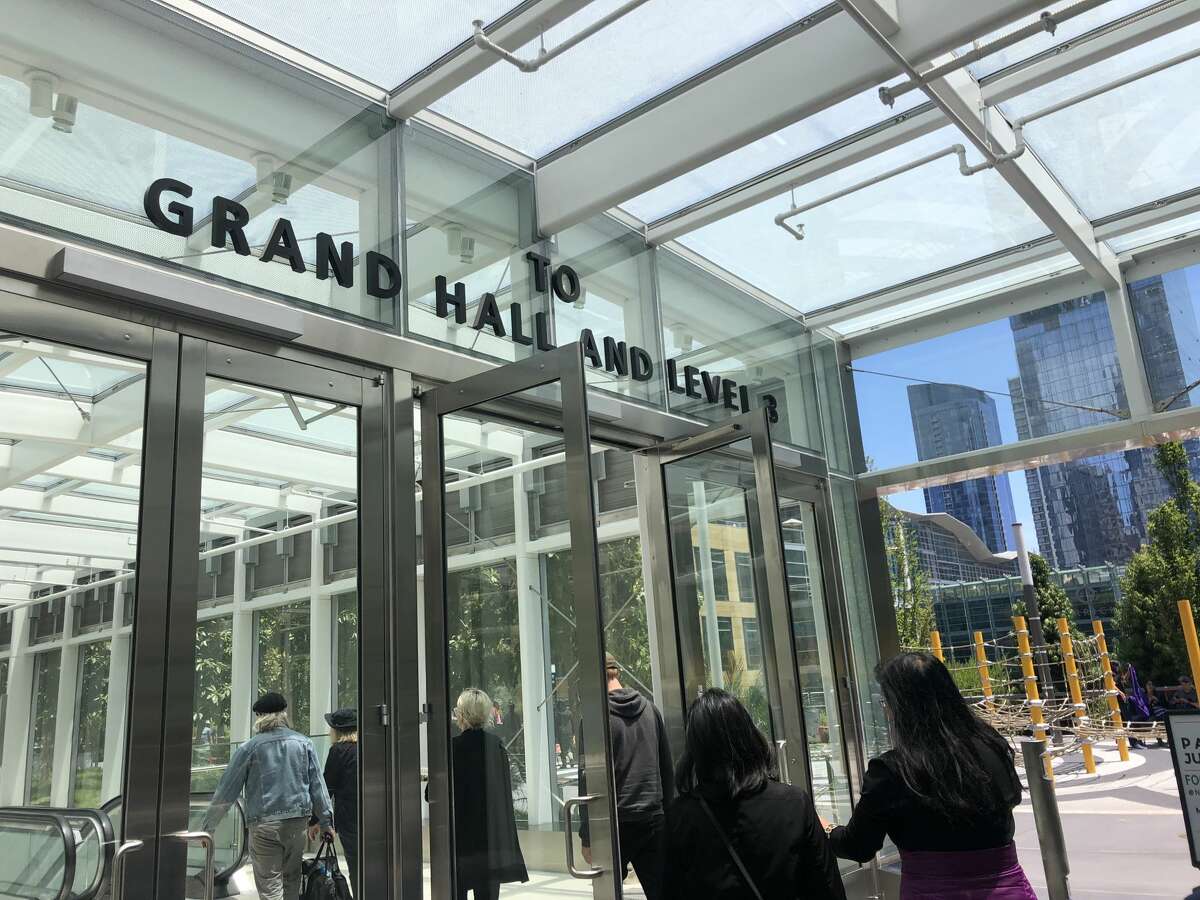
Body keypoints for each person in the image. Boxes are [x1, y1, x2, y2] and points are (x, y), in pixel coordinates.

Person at [824, 653, 1035, 899]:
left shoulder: (892, 769)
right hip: (1007, 891)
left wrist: (826, 828)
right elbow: (1010, 799)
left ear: (901, 706)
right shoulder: (992, 745)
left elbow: (858, 846)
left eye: (886, 702)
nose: (887, 711)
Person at [663, 688, 845, 900]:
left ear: (695, 752)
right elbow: (828, 888)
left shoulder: (680, 818)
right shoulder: (794, 804)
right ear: (749, 735)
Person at [201, 693, 333, 900]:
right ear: (284, 714)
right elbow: (318, 786)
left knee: (270, 888)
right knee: (292, 881)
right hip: (297, 822)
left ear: (259, 717)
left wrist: (209, 826)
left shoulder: (249, 748)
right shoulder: (304, 743)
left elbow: (226, 790)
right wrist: (326, 822)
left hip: (264, 826)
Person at [579, 654, 673, 900]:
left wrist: (587, 836)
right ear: (617, 673)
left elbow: (587, 782)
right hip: (653, 819)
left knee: (607, 894)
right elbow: (666, 770)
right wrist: (671, 819)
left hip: (613, 824)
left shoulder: (594, 720)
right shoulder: (651, 710)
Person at [450, 688, 528, 900]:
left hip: (460, 841)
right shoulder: (496, 746)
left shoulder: (452, 748)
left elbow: (434, 794)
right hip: (490, 840)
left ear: (461, 714)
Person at [323, 708, 359, 897]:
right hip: (376, 817)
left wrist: (318, 821)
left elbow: (327, 787)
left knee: (356, 866)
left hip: (349, 821)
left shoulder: (338, 751)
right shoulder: (370, 747)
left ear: (337, 730)